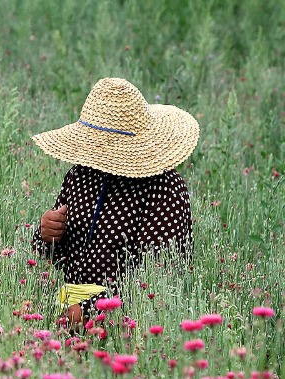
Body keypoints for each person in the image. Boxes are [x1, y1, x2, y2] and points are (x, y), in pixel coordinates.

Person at [31, 77, 198, 329]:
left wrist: (89, 311)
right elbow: (49, 258)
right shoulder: (81, 175)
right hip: (68, 313)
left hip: (132, 330)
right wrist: (46, 234)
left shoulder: (164, 188)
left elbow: (157, 279)